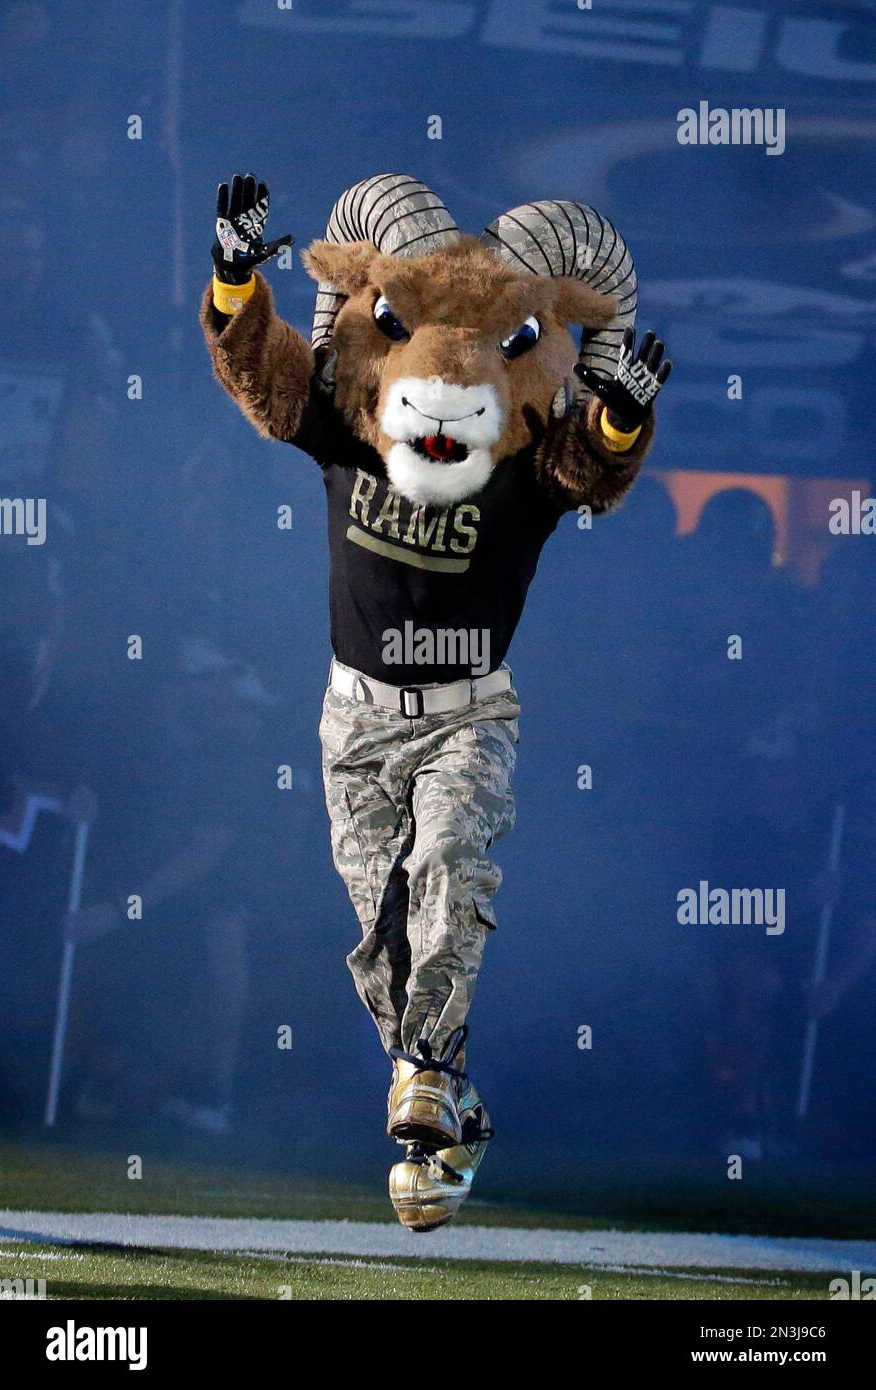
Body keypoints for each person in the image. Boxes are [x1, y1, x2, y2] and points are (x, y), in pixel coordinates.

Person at [200, 172, 672, 1229]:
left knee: (450, 873)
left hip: (466, 709)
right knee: (380, 936)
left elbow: (587, 466)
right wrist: (236, 280)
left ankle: (423, 1073)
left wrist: (619, 417)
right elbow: (268, 379)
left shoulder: (519, 462)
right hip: (355, 715)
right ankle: (445, 1104)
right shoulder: (350, 424)